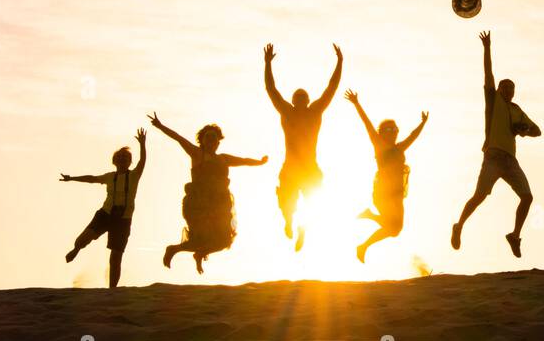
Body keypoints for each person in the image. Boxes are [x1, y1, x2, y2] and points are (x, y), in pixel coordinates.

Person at [452, 31, 542, 258]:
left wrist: (524, 131)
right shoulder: (494, 100)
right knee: (480, 195)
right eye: (505, 87)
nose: (508, 91)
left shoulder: (516, 109)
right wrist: (487, 48)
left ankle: (514, 235)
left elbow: (538, 131)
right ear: (499, 89)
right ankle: (459, 225)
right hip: (493, 156)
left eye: (511, 88)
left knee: (528, 197)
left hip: (510, 160)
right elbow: (488, 73)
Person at [149, 113, 267, 274]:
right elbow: (178, 138)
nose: (211, 141)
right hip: (199, 204)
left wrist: (260, 162)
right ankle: (173, 250)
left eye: (214, 138)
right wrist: (160, 125)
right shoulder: (197, 154)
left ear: (219, 141)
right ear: (202, 140)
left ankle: (201, 254)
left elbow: (244, 160)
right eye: (208, 137)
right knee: (199, 238)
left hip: (220, 205)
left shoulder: (224, 159)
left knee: (224, 240)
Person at [263, 42, 343, 251]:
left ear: (307, 100)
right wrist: (267, 64)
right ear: (294, 100)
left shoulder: (313, 111)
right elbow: (271, 89)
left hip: (307, 168)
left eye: (302, 97)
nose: (299, 100)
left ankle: (302, 228)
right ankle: (290, 222)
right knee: (287, 203)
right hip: (294, 167)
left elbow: (331, 88)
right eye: (297, 97)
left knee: (313, 203)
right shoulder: (289, 112)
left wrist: (340, 62)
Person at [345, 89, 428, 262]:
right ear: (382, 132)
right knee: (393, 227)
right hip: (383, 193)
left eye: (395, 129)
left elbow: (413, 136)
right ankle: (365, 239)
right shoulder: (379, 144)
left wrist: (423, 123)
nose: (393, 132)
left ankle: (364, 242)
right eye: (389, 129)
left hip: (397, 193)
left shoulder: (399, 148)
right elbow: (367, 124)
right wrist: (356, 103)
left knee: (395, 230)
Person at [61, 128, 147, 288]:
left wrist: (142, 144)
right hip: (105, 214)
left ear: (130, 162)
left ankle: (112, 289)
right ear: (114, 161)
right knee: (81, 240)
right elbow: (91, 179)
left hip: (123, 220)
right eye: (119, 157)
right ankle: (76, 250)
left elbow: (142, 162)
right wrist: (71, 178)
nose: (122, 159)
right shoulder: (110, 177)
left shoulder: (134, 176)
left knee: (116, 256)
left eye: (126, 157)